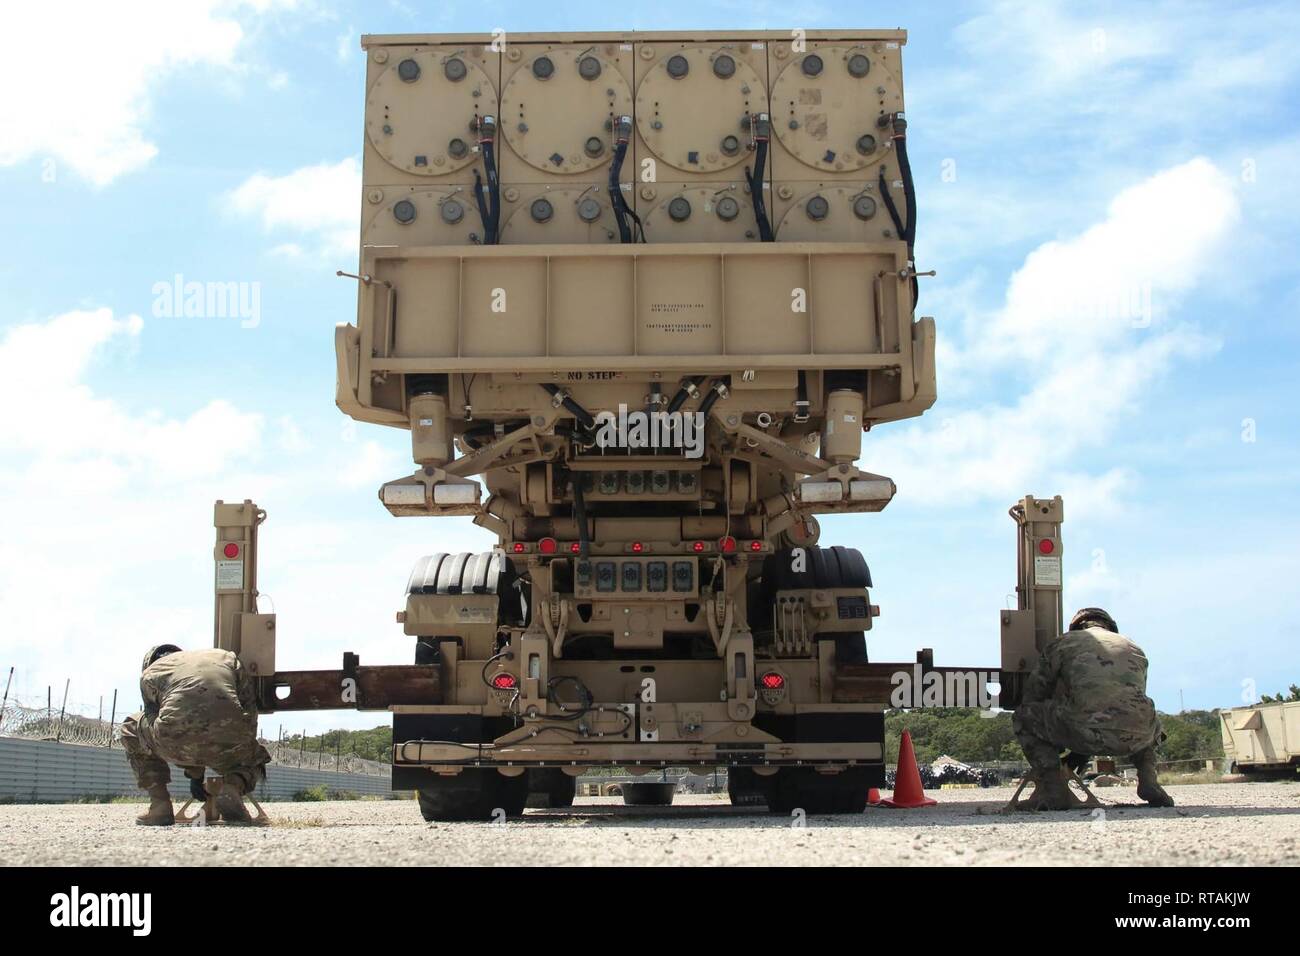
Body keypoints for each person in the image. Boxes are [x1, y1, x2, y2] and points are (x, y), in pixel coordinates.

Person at [1012, 608, 1174, 810]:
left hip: (1083, 730)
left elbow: (1034, 693)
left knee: (1024, 716)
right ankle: (1150, 782)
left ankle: (1054, 791)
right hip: (1136, 736)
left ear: (1077, 627)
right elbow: (1129, 700)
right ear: (1110, 627)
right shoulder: (1134, 648)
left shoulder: (1064, 642)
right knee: (1146, 719)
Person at [120, 645, 270, 825]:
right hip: (230, 737)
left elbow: (159, 719)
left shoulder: (151, 673)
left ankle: (160, 806)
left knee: (131, 726)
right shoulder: (226, 657)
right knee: (254, 755)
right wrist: (244, 745)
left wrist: (194, 772)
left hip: (174, 741)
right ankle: (232, 787)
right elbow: (249, 708)